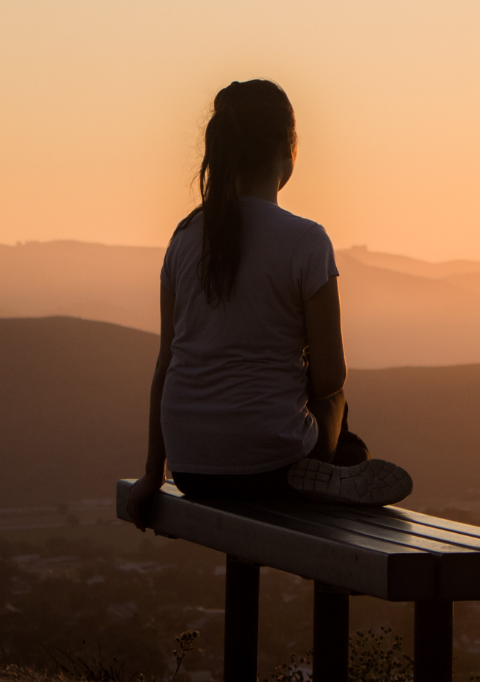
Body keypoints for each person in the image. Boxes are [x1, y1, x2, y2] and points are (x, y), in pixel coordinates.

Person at [126, 79, 412, 530]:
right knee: (337, 401)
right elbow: (330, 377)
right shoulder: (306, 240)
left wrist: (151, 473)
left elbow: (166, 364)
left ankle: (334, 467)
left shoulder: (183, 238)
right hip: (273, 465)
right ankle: (340, 464)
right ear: (287, 149)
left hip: (192, 470)